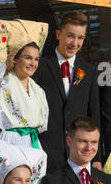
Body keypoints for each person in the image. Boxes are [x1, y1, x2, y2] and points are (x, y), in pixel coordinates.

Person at [0, 19, 50, 151]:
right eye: (28, 58)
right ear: (14, 59)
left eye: (36, 59)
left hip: (33, 144)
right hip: (8, 144)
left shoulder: (38, 91)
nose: (33, 63)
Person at [37, 11, 101, 170]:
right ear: (58, 34)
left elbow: (94, 115)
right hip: (46, 151)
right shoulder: (40, 66)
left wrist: (97, 158)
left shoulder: (89, 71)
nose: (75, 43)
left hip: (79, 155)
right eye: (70, 36)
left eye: (80, 38)